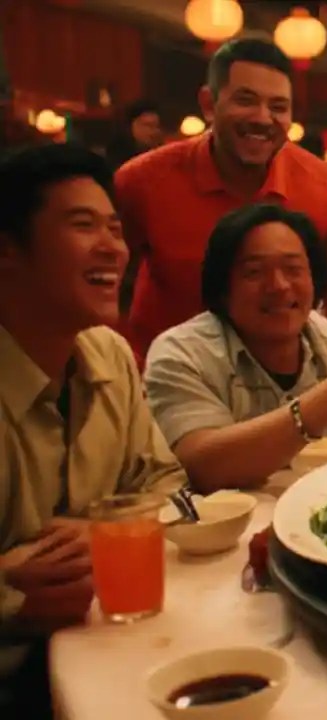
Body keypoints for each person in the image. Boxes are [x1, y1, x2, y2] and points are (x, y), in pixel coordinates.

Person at [0, 144, 186, 715]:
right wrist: (10, 594)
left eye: (115, 229)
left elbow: (169, 484)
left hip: (109, 648)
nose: (113, 247)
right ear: (8, 250)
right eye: (83, 225)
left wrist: (109, 530)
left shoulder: (109, 354)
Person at [115, 38, 327, 364]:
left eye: (278, 107)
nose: (262, 118)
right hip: (165, 371)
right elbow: (103, 284)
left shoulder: (322, 185)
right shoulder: (142, 182)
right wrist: (119, 368)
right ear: (209, 104)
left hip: (285, 374)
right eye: (245, 100)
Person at [144, 204, 327, 492]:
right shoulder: (181, 355)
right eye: (254, 272)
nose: (279, 285)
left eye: (293, 269)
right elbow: (202, 467)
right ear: (223, 288)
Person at [104, 99, 163, 171]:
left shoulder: (162, 151)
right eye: (148, 125)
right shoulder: (117, 152)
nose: (154, 131)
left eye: (157, 126)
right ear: (131, 126)